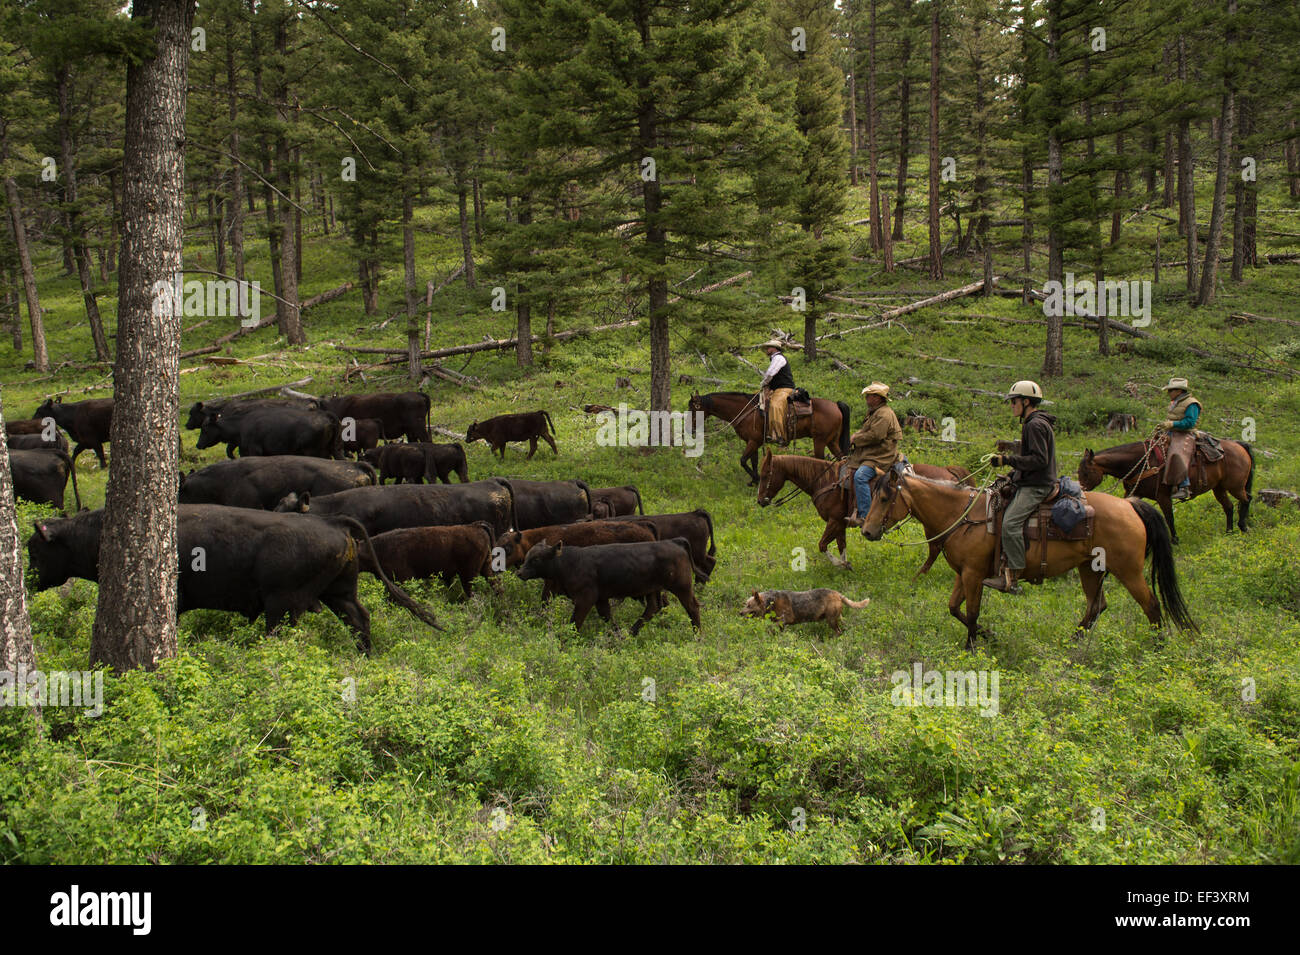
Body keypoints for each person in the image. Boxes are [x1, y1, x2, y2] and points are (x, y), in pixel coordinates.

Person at [983, 380, 1058, 595]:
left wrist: (1007, 460)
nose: (1011, 405)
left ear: (1026, 402)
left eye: (1014, 401)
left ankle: (1013, 576)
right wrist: (1012, 475)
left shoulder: (1034, 425)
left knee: (1010, 523)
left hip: (1037, 486)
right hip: (1031, 480)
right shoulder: (1034, 422)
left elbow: (1039, 460)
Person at [844, 382, 902, 530]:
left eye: (869, 396)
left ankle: (865, 515)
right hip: (874, 452)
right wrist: (857, 435)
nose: (867, 398)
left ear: (877, 398)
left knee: (860, 476)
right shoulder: (875, 411)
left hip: (881, 456)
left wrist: (855, 439)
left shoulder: (884, 414)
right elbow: (868, 431)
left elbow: (876, 435)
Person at [1159, 377, 1200, 501]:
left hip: (1185, 434)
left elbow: (1190, 422)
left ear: (1179, 391)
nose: (1169, 393)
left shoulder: (1192, 403)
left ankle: (1184, 486)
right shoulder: (1176, 402)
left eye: (1171, 390)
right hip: (1171, 432)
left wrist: (1172, 424)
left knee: (1177, 453)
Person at [757, 339, 798, 445]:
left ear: (774, 349)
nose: (767, 349)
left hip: (784, 389)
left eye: (769, 347)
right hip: (777, 389)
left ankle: (779, 435)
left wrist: (763, 383)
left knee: (775, 405)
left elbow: (770, 373)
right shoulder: (775, 358)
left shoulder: (778, 358)